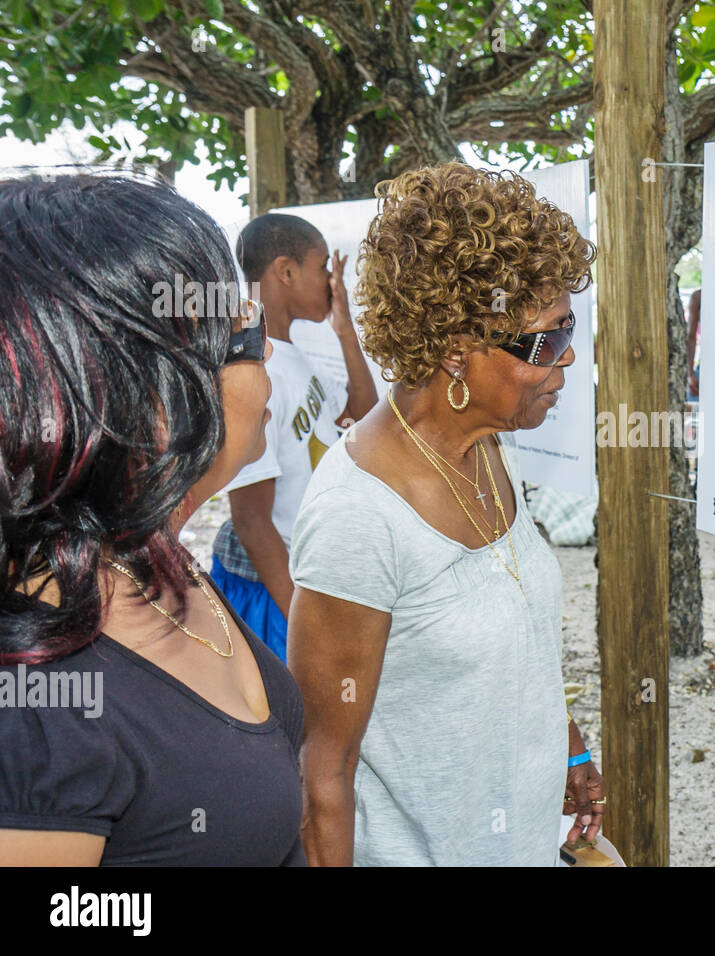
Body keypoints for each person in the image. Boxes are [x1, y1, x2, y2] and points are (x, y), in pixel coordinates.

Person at [288, 163, 603, 866]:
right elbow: (322, 769)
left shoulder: (489, 444)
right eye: (545, 340)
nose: (568, 356)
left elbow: (513, 628)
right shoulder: (357, 515)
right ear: (458, 351)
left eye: (567, 327)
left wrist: (566, 738)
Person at [0, 172, 303, 865]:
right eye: (246, 336)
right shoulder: (35, 710)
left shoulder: (138, 547)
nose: (270, 354)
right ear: (152, 397)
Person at [209, 215, 379, 662]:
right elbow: (250, 520)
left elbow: (359, 417)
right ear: (285, 271)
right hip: (268, 589)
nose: (332, 281)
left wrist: (344, 330)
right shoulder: (256, 370)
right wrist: (303, 625)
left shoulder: (288, 355)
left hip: (296, 581)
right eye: (323, 266)